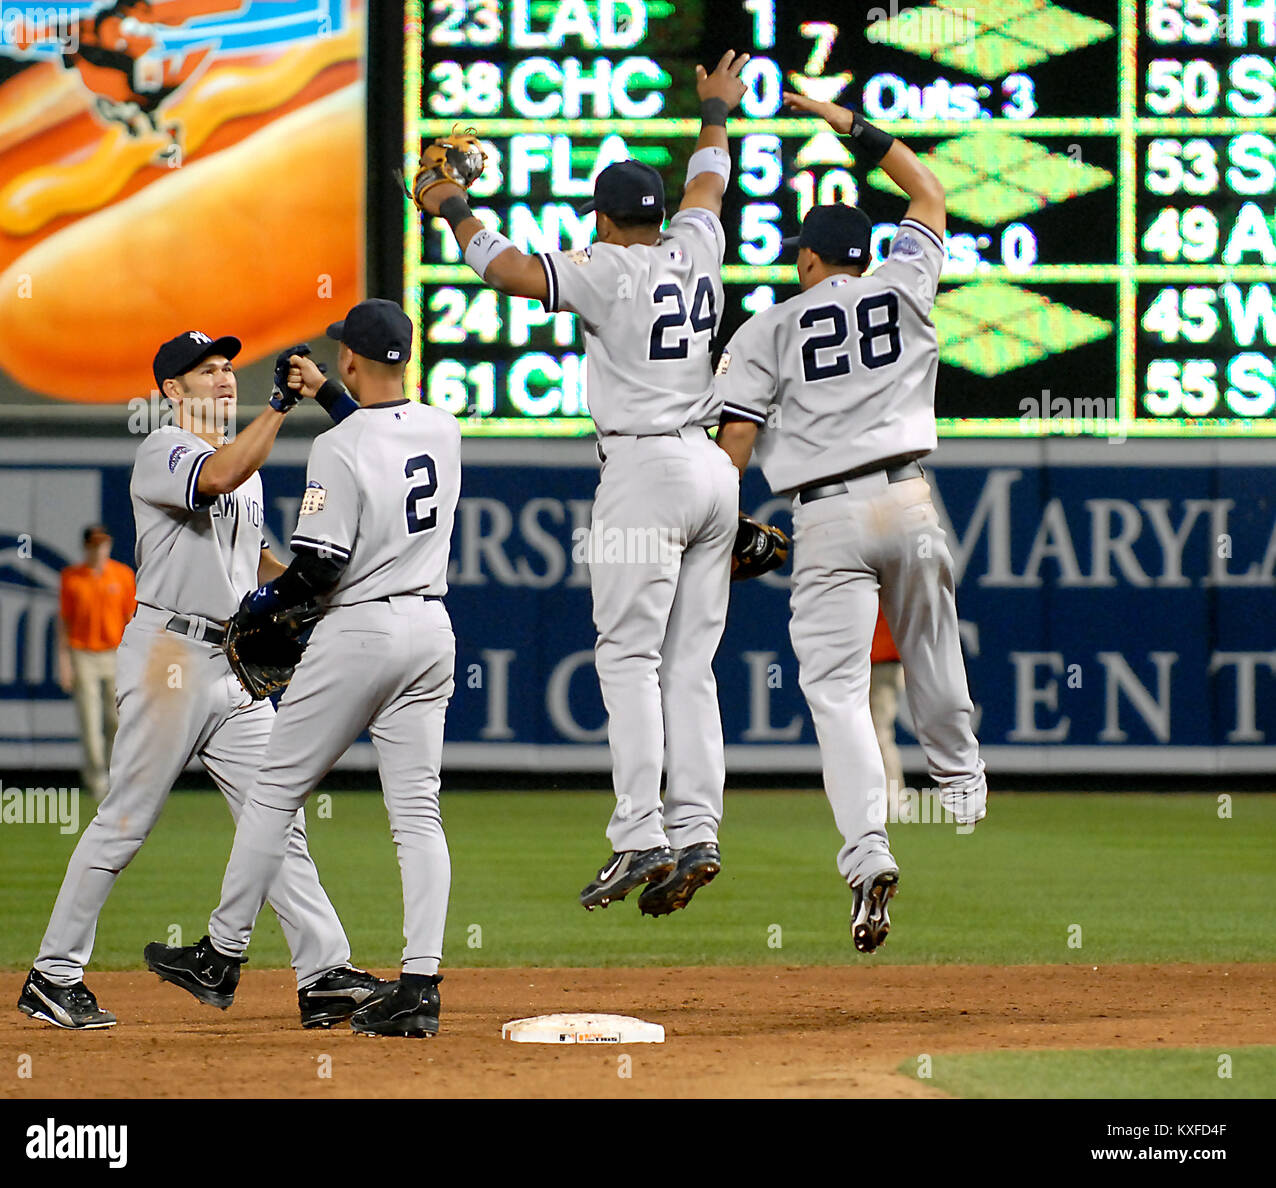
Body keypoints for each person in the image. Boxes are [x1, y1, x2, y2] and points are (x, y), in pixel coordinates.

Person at [415, 52, 750, 916]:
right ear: (661, 215)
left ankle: (640, 835)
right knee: (692, 666)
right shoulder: (697, 246)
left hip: (645, 467)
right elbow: (710, 180)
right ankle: (699, 829)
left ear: (601, 219)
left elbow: (509, 271)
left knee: (629, 657)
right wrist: (715, 109)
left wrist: (449, 203)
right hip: (715, 469)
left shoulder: (608, 267)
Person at [19, 330, 382, 1030]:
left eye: (225, 368)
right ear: (170, 392)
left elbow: (263, 565)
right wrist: (279, 406)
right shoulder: (167, 451)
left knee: (277, 815)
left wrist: (327, 585)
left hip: (233, 666)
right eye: (204, 371)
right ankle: (52, 973)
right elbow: (215, 479)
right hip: (170, 657)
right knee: (126, 822)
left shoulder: (242, 465)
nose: (222, 379)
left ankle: (323, 972)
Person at [715, 92, 988, 954]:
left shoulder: (769, 326)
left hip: (825, 512)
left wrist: (722, 522)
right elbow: (928, 192)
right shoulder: (905, 280)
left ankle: (867, 849)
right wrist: (849, 125)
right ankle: (962, 779)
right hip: (907, 496)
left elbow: (736, 439)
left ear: (805, 261)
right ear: (865, 256)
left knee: (836, 694)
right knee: (932, 649)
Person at [143, 300, 461, 1039]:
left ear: (348, 357)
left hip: (363, 629)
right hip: (431, 629)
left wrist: (262, 607)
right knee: (417, 812)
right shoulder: (442, 429)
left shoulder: (337, 450)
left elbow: (320, 566)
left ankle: (220, 956)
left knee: (274, 792)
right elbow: (378, 430)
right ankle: (419, 987)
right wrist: (325, 393)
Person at [57, 523, 136, 801]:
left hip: (114, 653)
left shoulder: (123, 575)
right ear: (86, 547)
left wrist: (134, 658)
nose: (100, 549)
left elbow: (131, 621)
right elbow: (65, 623)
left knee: (116, 720)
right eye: (95, 545)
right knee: (90, 723)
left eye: (103, 544)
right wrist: (64, 662)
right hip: (83, 654)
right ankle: (96, 779)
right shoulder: (71, 577)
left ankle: (116, 776)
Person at [870, 607, 906, 811]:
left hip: (884, 664)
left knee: (879, 734)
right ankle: (869, 797)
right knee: (869, 735)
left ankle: (896, 800)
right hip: (863, 663)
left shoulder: (886, 584)